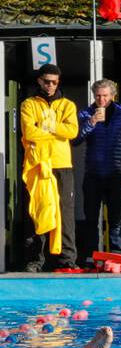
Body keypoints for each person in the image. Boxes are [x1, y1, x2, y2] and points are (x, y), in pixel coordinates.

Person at [19, 63, 78, 271]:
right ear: (39, 81)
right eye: (46, 82)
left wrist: (46, 126)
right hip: (37, 165)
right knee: (37, 211)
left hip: (62, 164)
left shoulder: (67, 105)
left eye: (54, 82)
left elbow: (72, 131)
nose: (50, 86)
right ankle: (35, 260)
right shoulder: (29, 104)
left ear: (58, 82)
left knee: (65, 212)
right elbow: (29, 133)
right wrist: (56, 132)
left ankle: (66, 261)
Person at [72, 78, 121, 267]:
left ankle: (116, 255)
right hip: (93, 174)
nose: (101, 100)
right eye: (98, 96)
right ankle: (91, 256)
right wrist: (91, 122)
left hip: (115, 172)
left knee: (116, 218)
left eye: (105, 96)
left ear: (112, 95)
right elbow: (75, 140)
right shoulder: (85, 113)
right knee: (91, 217)